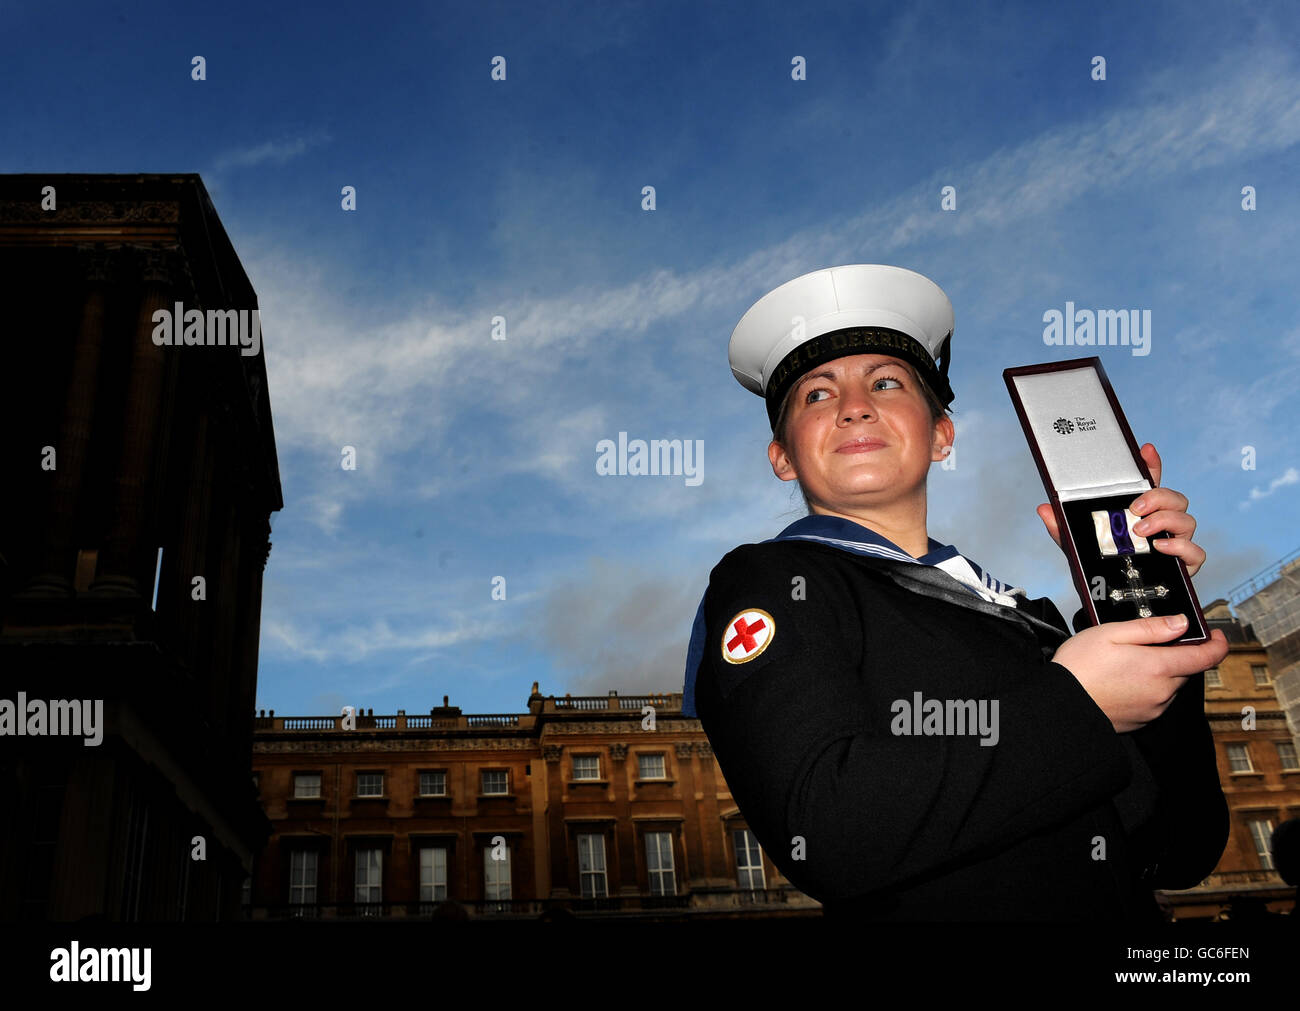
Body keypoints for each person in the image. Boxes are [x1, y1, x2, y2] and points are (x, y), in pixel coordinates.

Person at [681, 264, 1230, 921]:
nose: (855, 404)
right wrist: (1076, 703)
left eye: (886, 382)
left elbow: (1182, 849)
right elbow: (827, 825)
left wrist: (1146, 596)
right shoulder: (769, 582)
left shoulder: (1037, 623)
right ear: (783, 457)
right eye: (817, 395)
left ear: (942, 435)